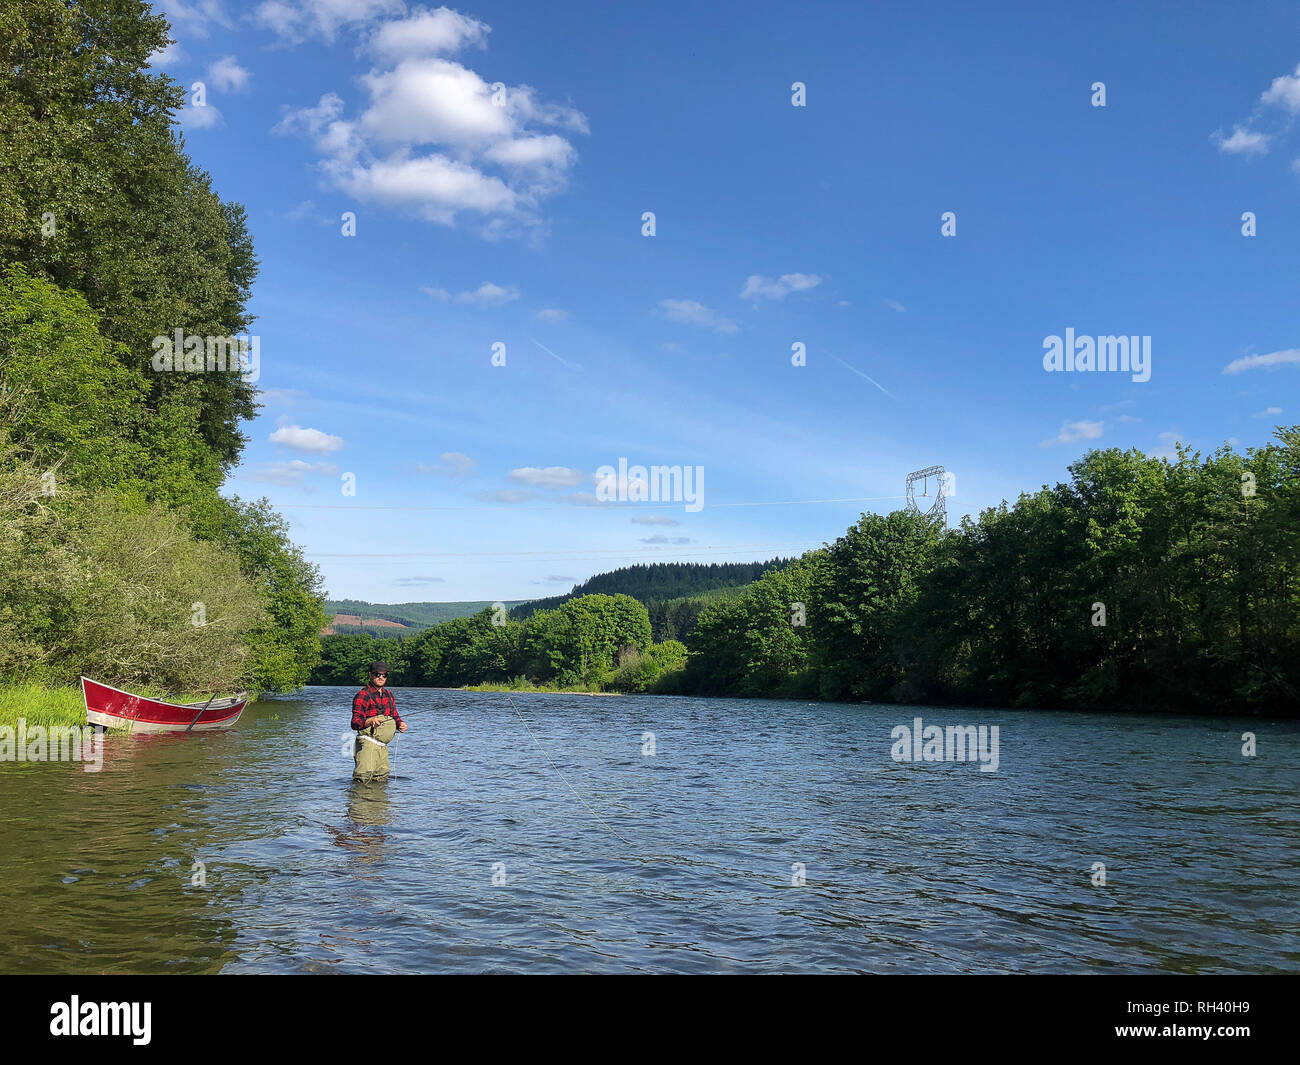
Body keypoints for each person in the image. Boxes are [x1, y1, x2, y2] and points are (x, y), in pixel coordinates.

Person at [351, 661, 407, 782]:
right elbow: (355, 723)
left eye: (384, 675)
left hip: (383, 747)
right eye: (377, 674)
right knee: (363, 778)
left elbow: (395, 716)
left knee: (382, 778)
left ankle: (379, 801)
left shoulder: (388, 695)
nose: (381, 677)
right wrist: (369, 721)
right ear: (370, 675)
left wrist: (400, 724)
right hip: (367, 744)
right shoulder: (362, 695)